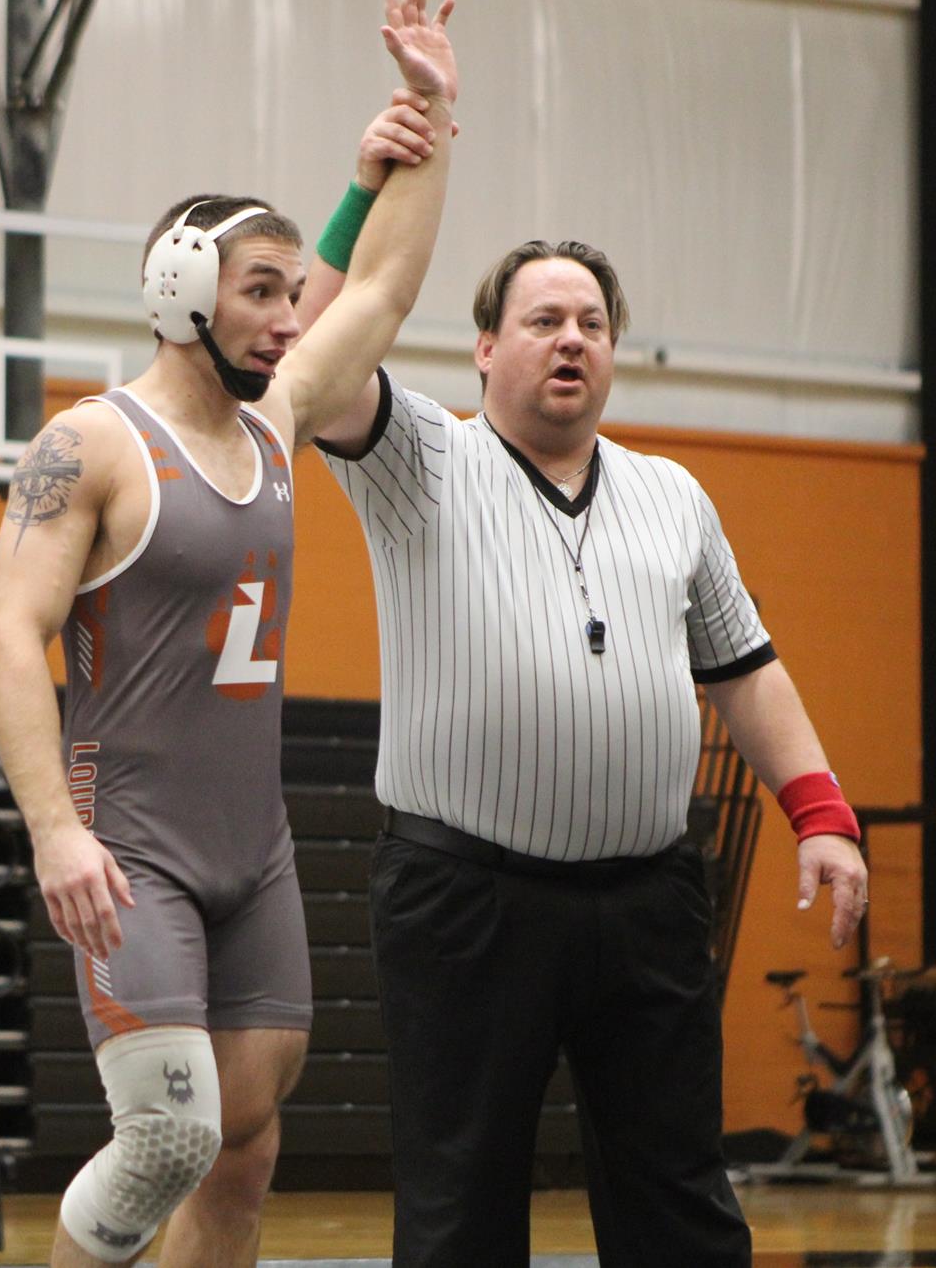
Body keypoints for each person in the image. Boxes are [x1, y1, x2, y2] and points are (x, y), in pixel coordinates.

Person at [0, 0, 458, 1268]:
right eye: (260, 290)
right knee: (168, 1140)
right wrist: (56, 832)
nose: (288, 314)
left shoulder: (278, 421)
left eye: (291, 292)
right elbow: (6, 638)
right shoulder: (88, 443)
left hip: (256, 848)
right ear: (186, 293)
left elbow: (387, 293)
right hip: (129, 841)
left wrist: (432, 116)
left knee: (246, 1146)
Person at [303, 222, 871, 1261]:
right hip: (464, 900)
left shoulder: (672, 496)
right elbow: (314, 350)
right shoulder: (418, 459)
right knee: (459, 1204)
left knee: (678, 1200)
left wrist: (820, 812)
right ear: (483, 347)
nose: (571, 340)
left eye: (591, 323)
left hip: (648, 900)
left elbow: (743, 669)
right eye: (542, 320)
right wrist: (367, 193)